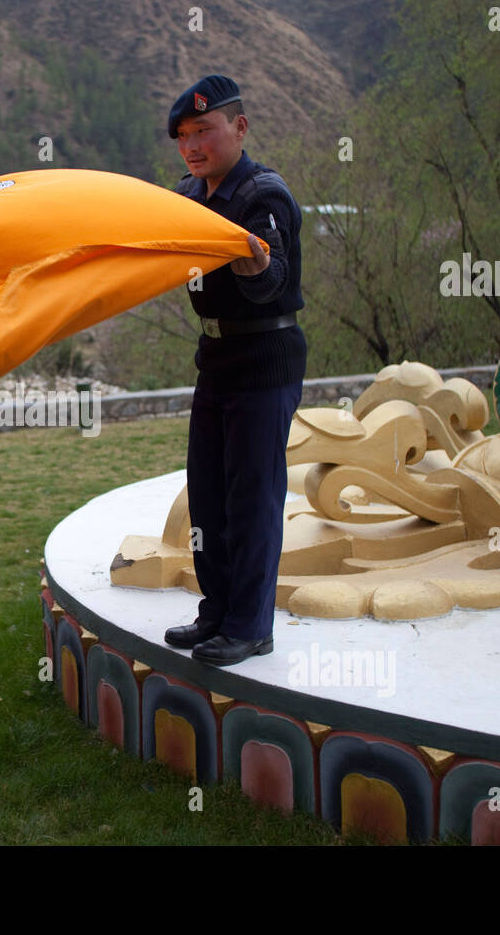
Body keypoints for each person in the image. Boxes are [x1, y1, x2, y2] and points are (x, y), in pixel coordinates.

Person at [161, 75, 307, 667]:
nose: (193, 145)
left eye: (204, 130)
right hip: (215, 358)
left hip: (264, 360)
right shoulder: (189, 196)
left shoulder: (262, 195)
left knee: (253, 497)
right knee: (211, 494)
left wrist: (251, 264)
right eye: (183, 136)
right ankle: (217, 613)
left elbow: (273, 279)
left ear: (239, 128)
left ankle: (251, 626)